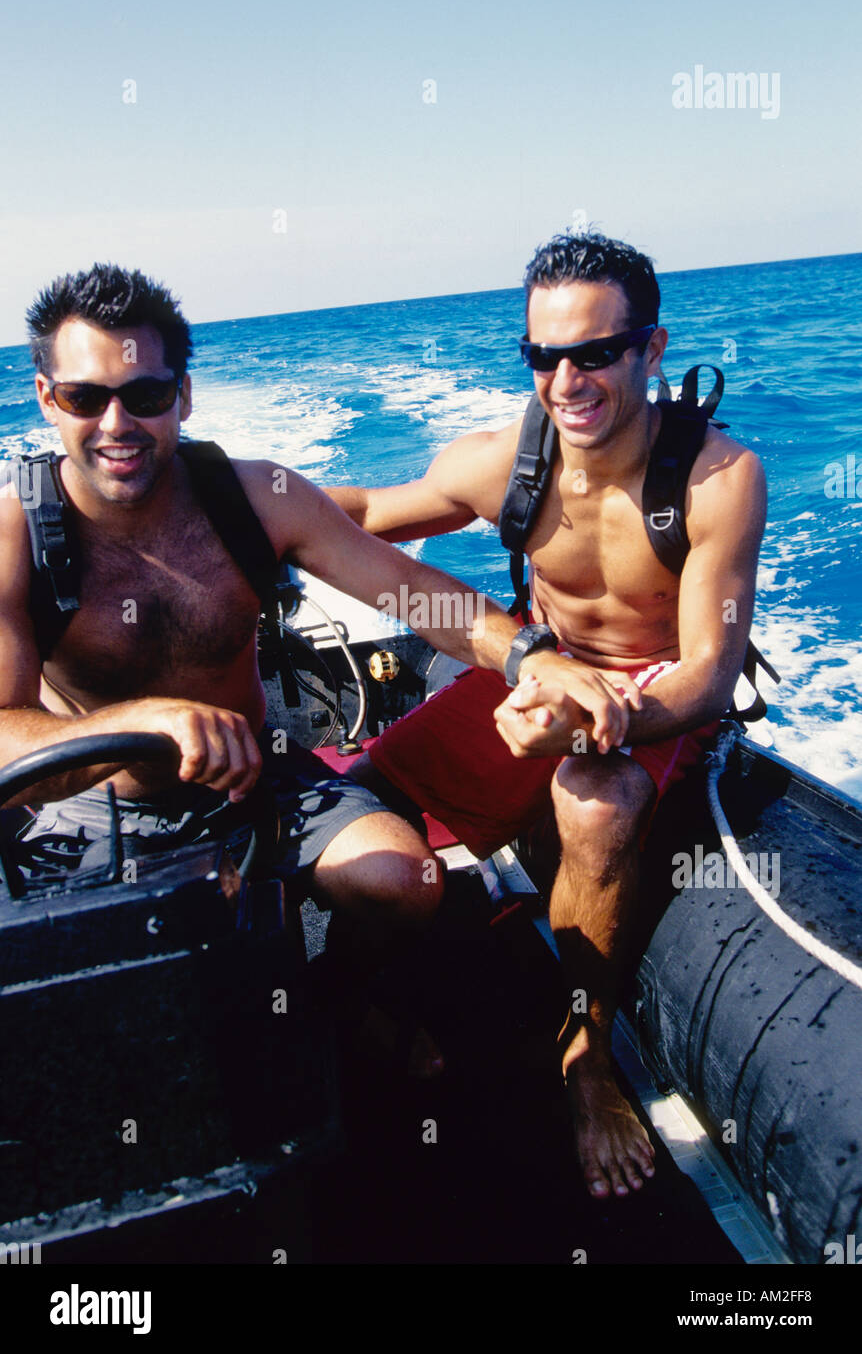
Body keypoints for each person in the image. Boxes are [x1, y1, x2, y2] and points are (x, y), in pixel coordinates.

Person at [0, 262, 625, 1076]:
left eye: (146, 396)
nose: (117, 423)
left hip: (257, 782)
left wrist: (530, 655)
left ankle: (339, 1007)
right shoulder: (16, 534)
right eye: (87, 398)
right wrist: (140, 722)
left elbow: (413, 593)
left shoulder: (255, 497)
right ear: (49, 399)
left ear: (183, 396)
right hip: (90, 812)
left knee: (405, 881)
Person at [327, 231, 767, 1196]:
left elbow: (705, 672)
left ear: (650, 350)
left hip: (653, 698)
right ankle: (363, 1012)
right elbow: (360, 514)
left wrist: (595, 724)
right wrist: (238, 509)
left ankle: (584, 1065)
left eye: (595, 353)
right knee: (355, 806)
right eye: (543, 356)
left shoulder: (716, 480)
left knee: (595, 801)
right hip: (540, 667)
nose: (566, 380)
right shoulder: (503, 464)